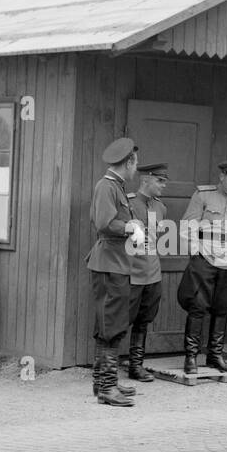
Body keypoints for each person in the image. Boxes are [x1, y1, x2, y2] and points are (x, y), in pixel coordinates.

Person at [178, 159, 227, 374]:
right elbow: (188, 226)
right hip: (205, 258)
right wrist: (196, 253)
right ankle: (191, 357)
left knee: (223, 307)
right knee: (197, 306)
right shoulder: (203, 195)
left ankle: (215, 355)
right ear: (222, 176)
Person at [87, 137, 142, 406]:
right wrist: (129, 227)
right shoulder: (107, 186)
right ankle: (108, 388)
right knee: (111, 325)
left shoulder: (114, 186)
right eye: (135, 163)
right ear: (128, 162)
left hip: (115, 262)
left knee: (109, 324)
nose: (136, 169)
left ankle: (102, 382)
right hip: (110, 263)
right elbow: (104, 222)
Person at [125, 162, 168, 384]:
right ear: (145, 180)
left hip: (153, 273)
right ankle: (108, 366)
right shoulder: (128, 203)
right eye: (159, 180)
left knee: (144, 320)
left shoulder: (161, 208)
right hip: (131, 272)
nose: (163, 185)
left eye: (164, 181)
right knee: (121, 320)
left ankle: (136, 366)